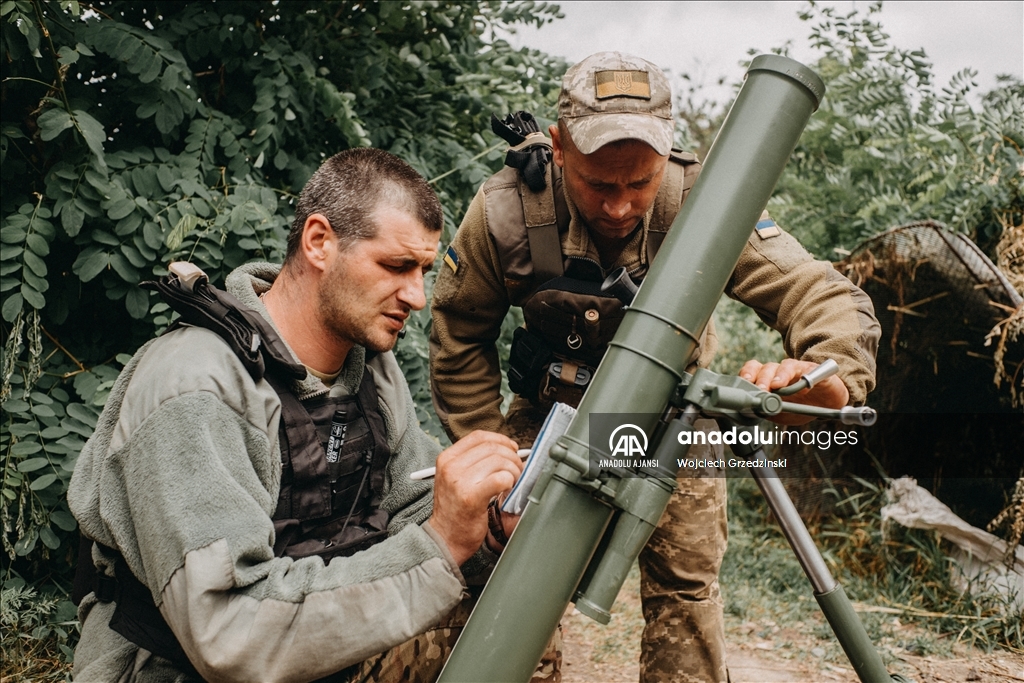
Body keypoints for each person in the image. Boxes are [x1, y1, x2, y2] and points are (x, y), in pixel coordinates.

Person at [429, 52, 881, 683]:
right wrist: (491, 460)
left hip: (674, 425)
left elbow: (816, 290)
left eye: (639, 183)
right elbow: (458, 335)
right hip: (554, 418)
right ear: (558, 148)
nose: (619, 207)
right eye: (599, 185)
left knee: (685, 594)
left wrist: (826, 374)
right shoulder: (507, 210)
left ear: (666, 153)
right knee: (507, 579)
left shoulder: (703, 202)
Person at [68, 148, 538, 683]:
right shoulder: (196, 386)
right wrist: (441, 543)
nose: (417, 296)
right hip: (181, 667)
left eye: (424, 271)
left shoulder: (370, 369)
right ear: (318, 242)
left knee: (511, 624)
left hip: (311, 644)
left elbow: (413, 507)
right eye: (396, 266)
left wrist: (487, 525)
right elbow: (229, 633)